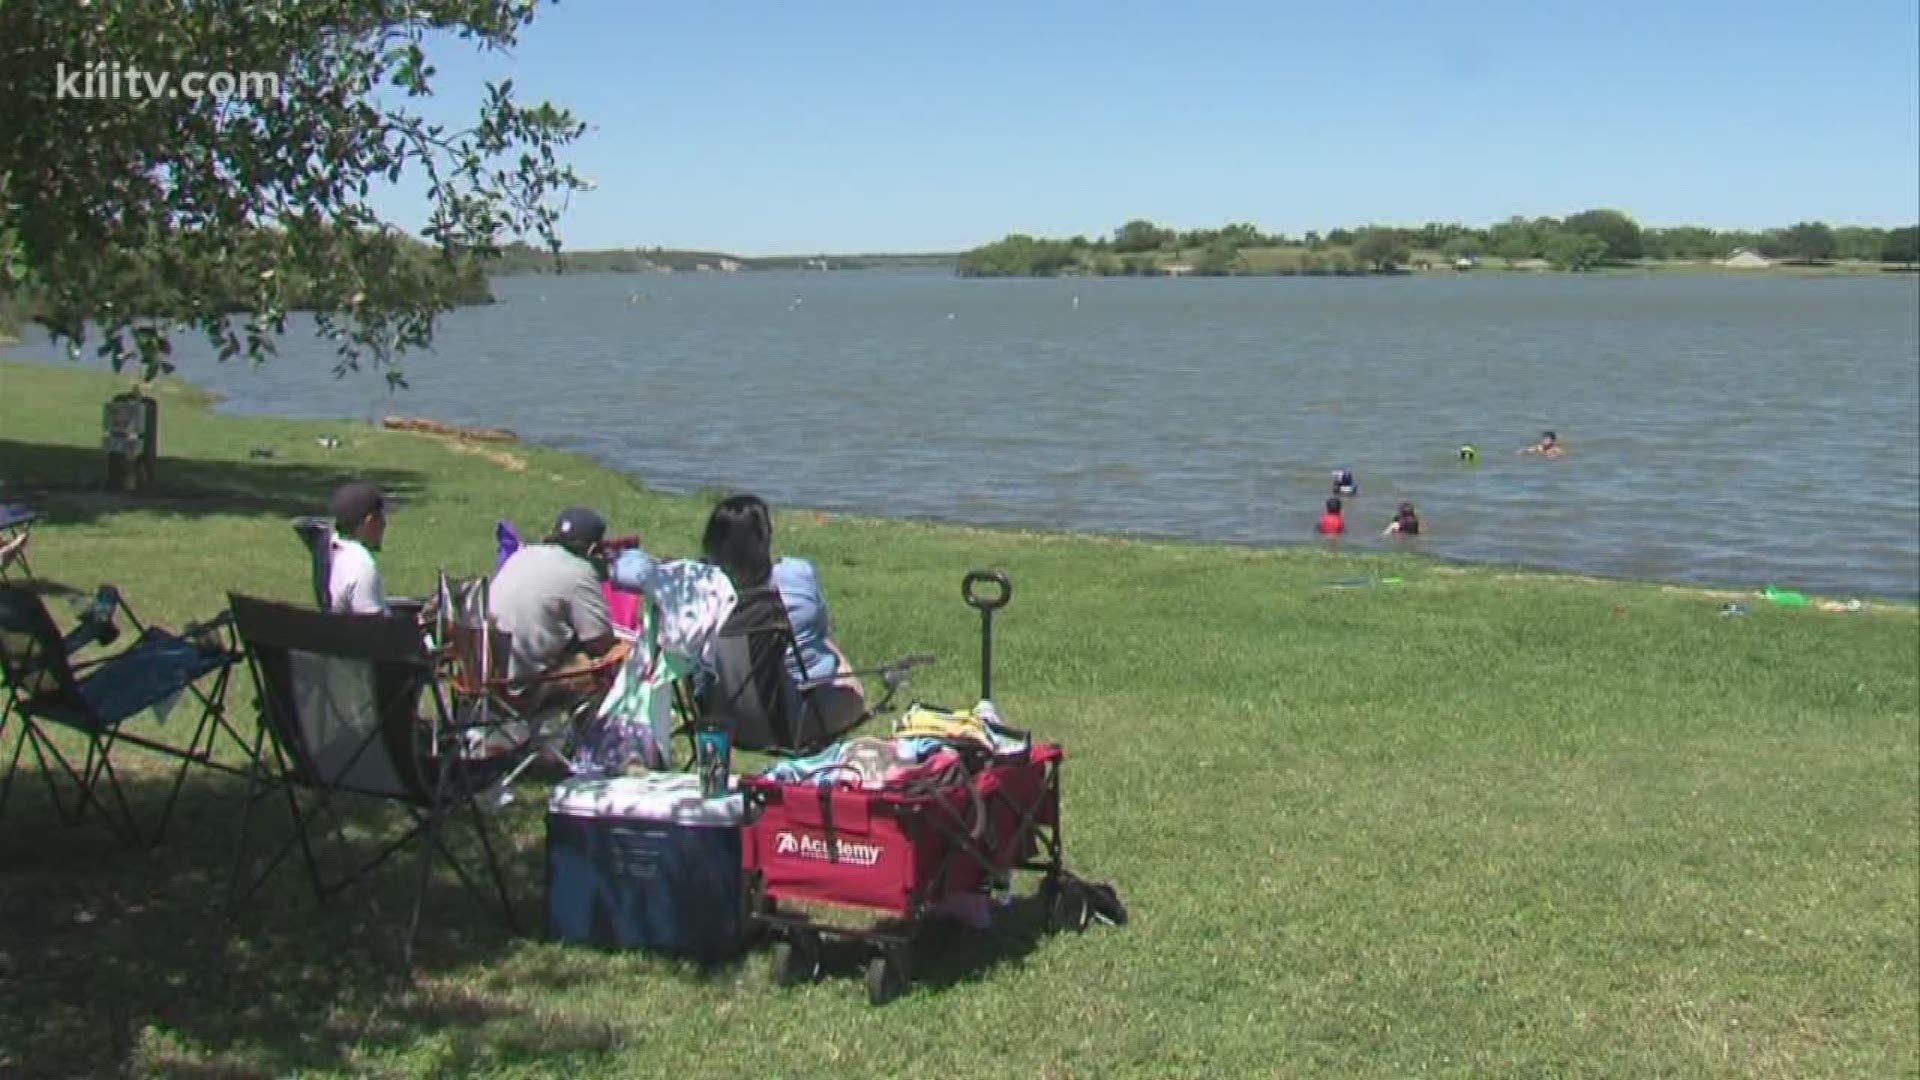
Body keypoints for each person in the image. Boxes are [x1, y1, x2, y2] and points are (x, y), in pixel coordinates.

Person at [701, 493, 865, 704]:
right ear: (766, 536)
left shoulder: (700, 593)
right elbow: (822, 629)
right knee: (836, 659)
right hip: (800, 715)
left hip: (722, 714)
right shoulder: (798, 574)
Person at [490, 507, 621, 688]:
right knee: (613, 658)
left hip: (489, 676)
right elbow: (600, 642)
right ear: (592, 548)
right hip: (527, 683)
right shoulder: (580, 573)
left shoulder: (522, 555)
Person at [326, 481, 389, 615]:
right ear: (370, 521)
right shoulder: (361, 566)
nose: (385, 524)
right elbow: (375, 630)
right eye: (382, 517)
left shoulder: (337, 550)